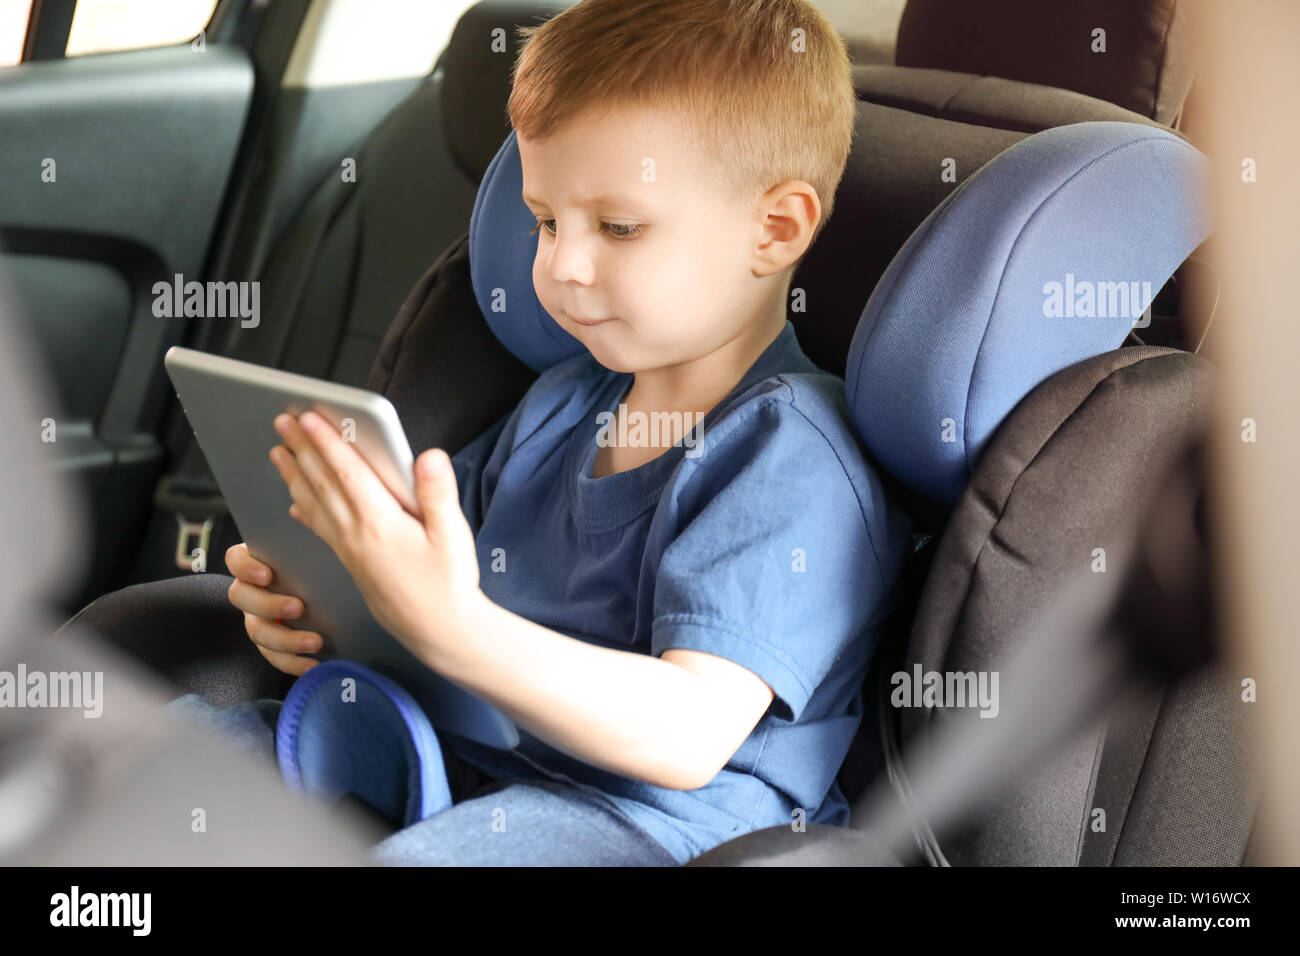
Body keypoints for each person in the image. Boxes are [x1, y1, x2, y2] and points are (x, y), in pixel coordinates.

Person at [165, 0, 911, 866]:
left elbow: (686, 733)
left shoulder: (791, 456)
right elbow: (437, 584)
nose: (560, 263)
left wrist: (452, 629)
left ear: (774, 229)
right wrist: (332, 599)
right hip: (468, 750)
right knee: (169, 763)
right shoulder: (560, 404)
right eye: (547, 220)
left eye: (618, 227)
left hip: (653, 824)